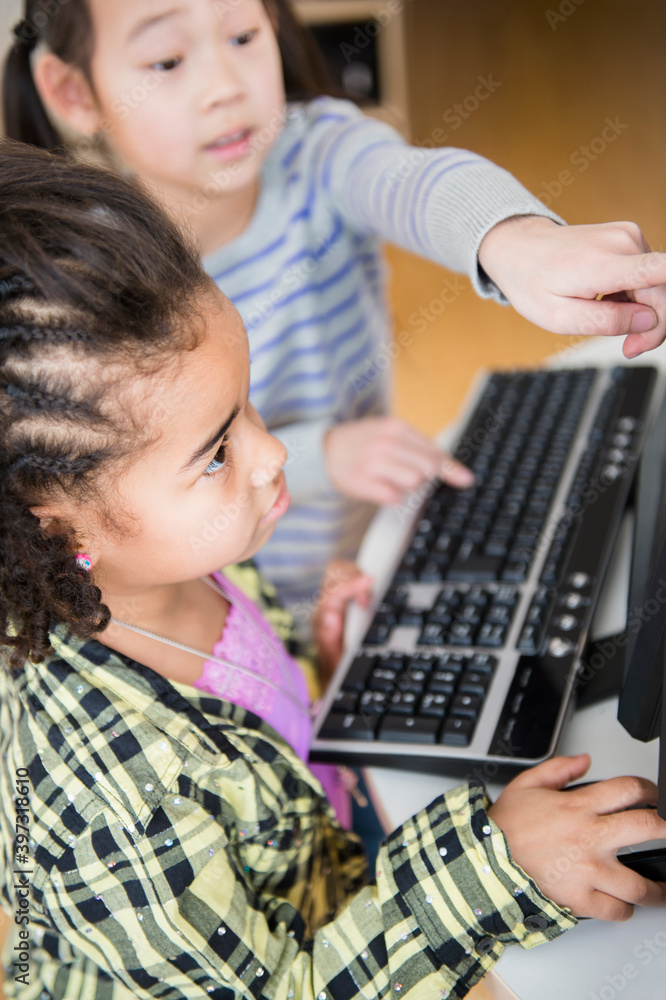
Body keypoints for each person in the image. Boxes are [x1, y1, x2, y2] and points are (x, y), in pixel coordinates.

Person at [1, 140, 666, 1000]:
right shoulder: (106, 800)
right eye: (215, 453)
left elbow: (249, 710)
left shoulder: (156, 572)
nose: (274, 453)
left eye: (247, 405)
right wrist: (499, 868)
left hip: (334, 852)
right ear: (58, 532)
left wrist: (313, 658)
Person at [5, 0, 666, 630]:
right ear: (74, 93)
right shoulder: (95, 278)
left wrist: (517, 242)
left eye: (242, 36)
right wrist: (322, 455)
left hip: (361, 523)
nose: (225, 87)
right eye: (168, 62)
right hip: (230, 577)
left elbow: (411, 182)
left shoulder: (314, 149)